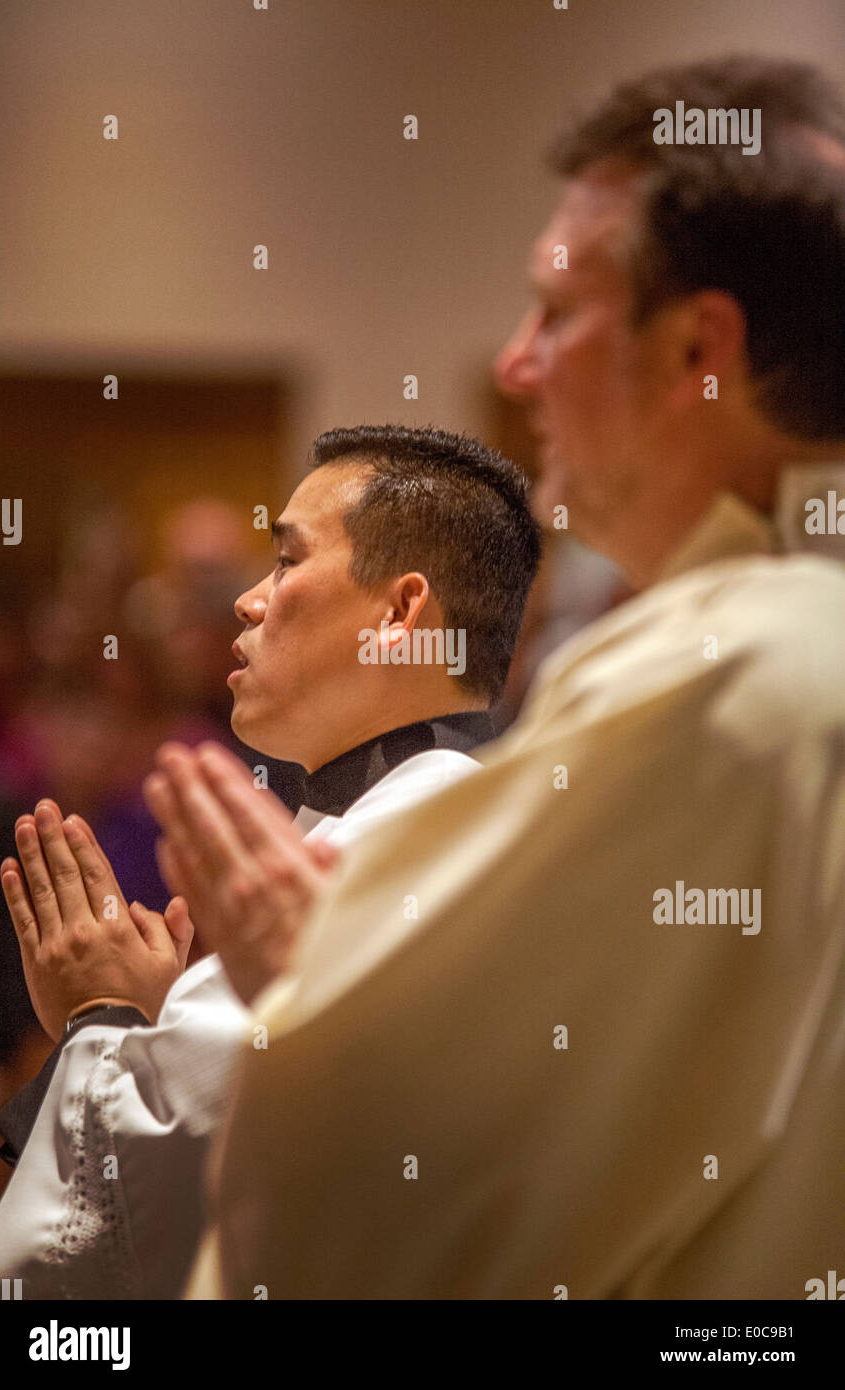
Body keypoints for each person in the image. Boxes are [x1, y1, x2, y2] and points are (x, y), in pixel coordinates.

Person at [163, 56, 845, 1299]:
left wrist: (310, 996)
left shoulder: (733, 676)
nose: (519, 366)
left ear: (699, 345)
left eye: (555, 312)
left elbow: (443, 1202)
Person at [0, 423, 540, 1299]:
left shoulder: (393, 845)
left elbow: (138, 1206)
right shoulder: (434, 815)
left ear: (399, 615)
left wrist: (100, 1012)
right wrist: (165, 1014)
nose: (248, 600)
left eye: (284, 561)